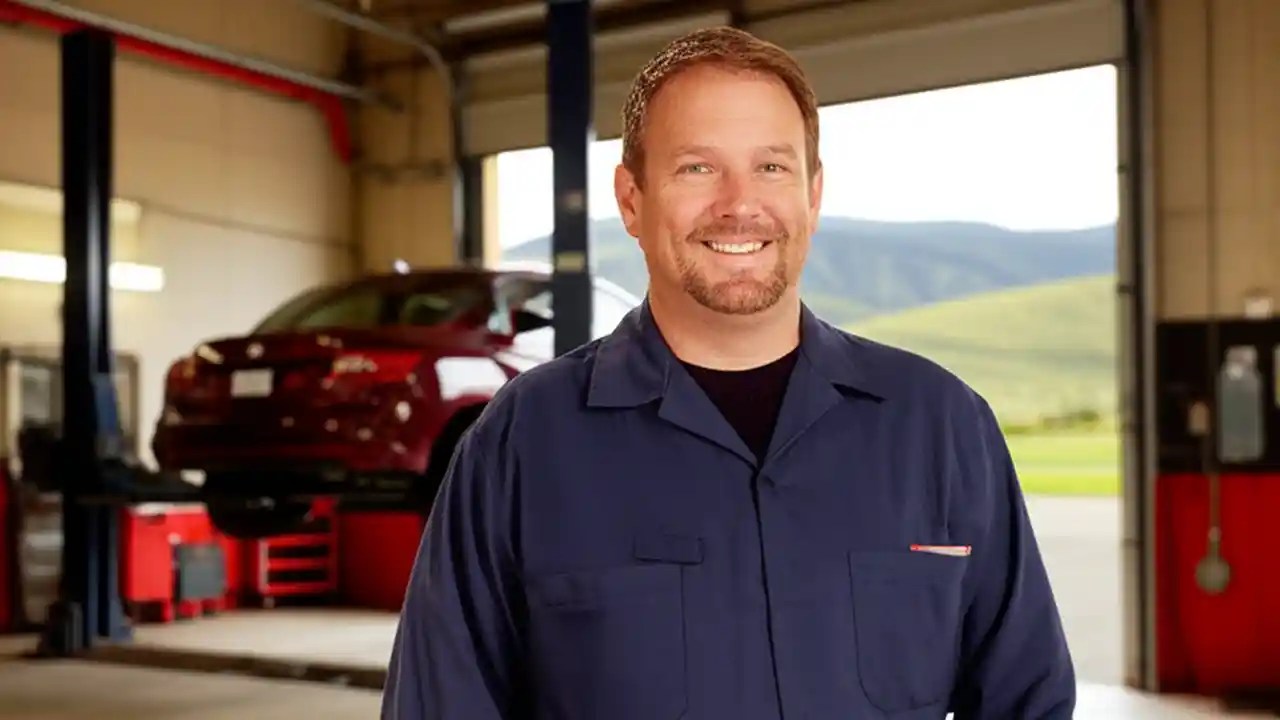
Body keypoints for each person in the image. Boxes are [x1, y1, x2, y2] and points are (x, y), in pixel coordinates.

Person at [382, 26, 1075, 720]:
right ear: (631, 199)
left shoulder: (940, 425)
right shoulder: (524, 442)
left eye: (771, 167)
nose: (740, 204)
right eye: (697, 168)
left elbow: (1027, 699)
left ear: (813, 193)